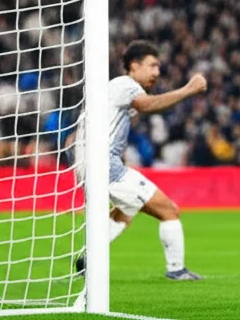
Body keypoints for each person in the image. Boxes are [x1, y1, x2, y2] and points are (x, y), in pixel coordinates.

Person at [75, 40, 207, 280]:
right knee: (169, 210)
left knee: (125, 211)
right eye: (152, 65)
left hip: (89, 164)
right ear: (134, 66)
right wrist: (188, 89)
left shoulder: (112, 90)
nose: (157, 72)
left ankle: (89, 257)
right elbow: (147, 105)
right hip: (105, 165)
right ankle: (176, 270)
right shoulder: (125, 85)